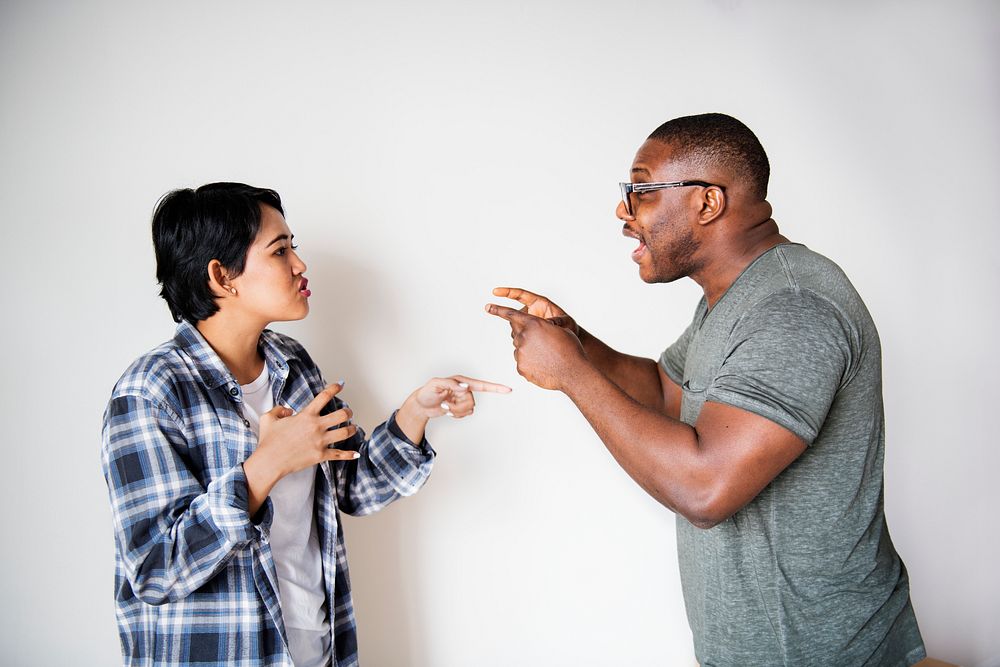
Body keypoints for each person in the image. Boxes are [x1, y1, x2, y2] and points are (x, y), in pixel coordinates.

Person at [486, 113, 925, 666]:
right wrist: (575, 341)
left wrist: (572, 373)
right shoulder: (736, 296)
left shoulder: (793, 309)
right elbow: (667, 393)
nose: (624, 213)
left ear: (707, 202)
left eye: (640, 191)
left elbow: (705, 489)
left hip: (820, 653)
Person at [101, 182, 510, 667]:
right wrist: (265, 466)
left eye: (294, 246)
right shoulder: (151, 391)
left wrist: (416, 411)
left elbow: (352, 487)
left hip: (315, 649)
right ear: (221, 276)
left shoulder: (293, 365)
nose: (300, 264)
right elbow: (154, 569)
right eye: (280, 250)